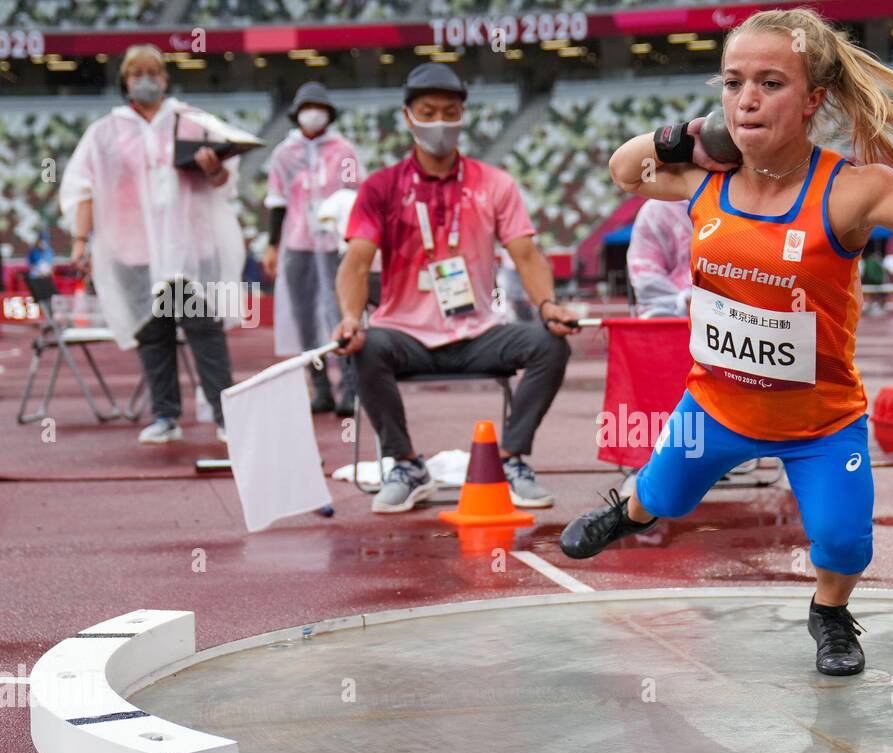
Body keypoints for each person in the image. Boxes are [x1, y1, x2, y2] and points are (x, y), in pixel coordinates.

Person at [560, 8, 893, 676]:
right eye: (732, 83)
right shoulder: (705, 178)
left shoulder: (848, 190)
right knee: (662, 501)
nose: (746, 99)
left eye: (770, 82)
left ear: (815, 98)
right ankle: (626, 508)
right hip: (715, 410)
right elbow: (626, 170)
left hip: (819, 421)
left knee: (846, 543)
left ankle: (830, 614)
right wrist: (680, 136)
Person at [333, 64, 579, 513]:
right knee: (364, 348)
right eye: (428, 112)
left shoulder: (494, 183)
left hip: (479, 334)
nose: (440, 122)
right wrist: (351, 317)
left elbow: (525, 254)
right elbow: (357, 260)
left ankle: (510, 459)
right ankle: (406, 464)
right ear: (408, 117)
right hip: (404, 335)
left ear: (464, 115)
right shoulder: (380, 188)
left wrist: (548, 306)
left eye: (451, 111)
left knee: (550, 343)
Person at [60, 43, 244, 444]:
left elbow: (226, 176)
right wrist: (80, 240)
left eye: (153, 72)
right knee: (153, 333)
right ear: (125, 81)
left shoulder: (191, 121)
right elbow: (83, 187)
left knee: (204, 331)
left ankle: (226, 415)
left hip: (188, 251)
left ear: (165, 77)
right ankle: (165, 415)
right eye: (137, 73)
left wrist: (215, 170)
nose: (146, 80)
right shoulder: (105, 133)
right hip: (135, 251)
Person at [263, 81, 363, 415]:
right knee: (304, 317)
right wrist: (273, 245)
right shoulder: (284, 153)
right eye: (307, 108)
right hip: (298, 243)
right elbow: (276, 202)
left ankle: (349, 389)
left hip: (335, 245)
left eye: (318, 108)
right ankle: (320, 388)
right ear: (296, 114)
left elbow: (356, 196)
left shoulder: (343, 151)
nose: (313, 114)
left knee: (341, 313)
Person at [627, 199, 693, 317]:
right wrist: (684, 299)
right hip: (669, 318)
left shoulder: (730, 200)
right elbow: (646, 277)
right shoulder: (656, 211)